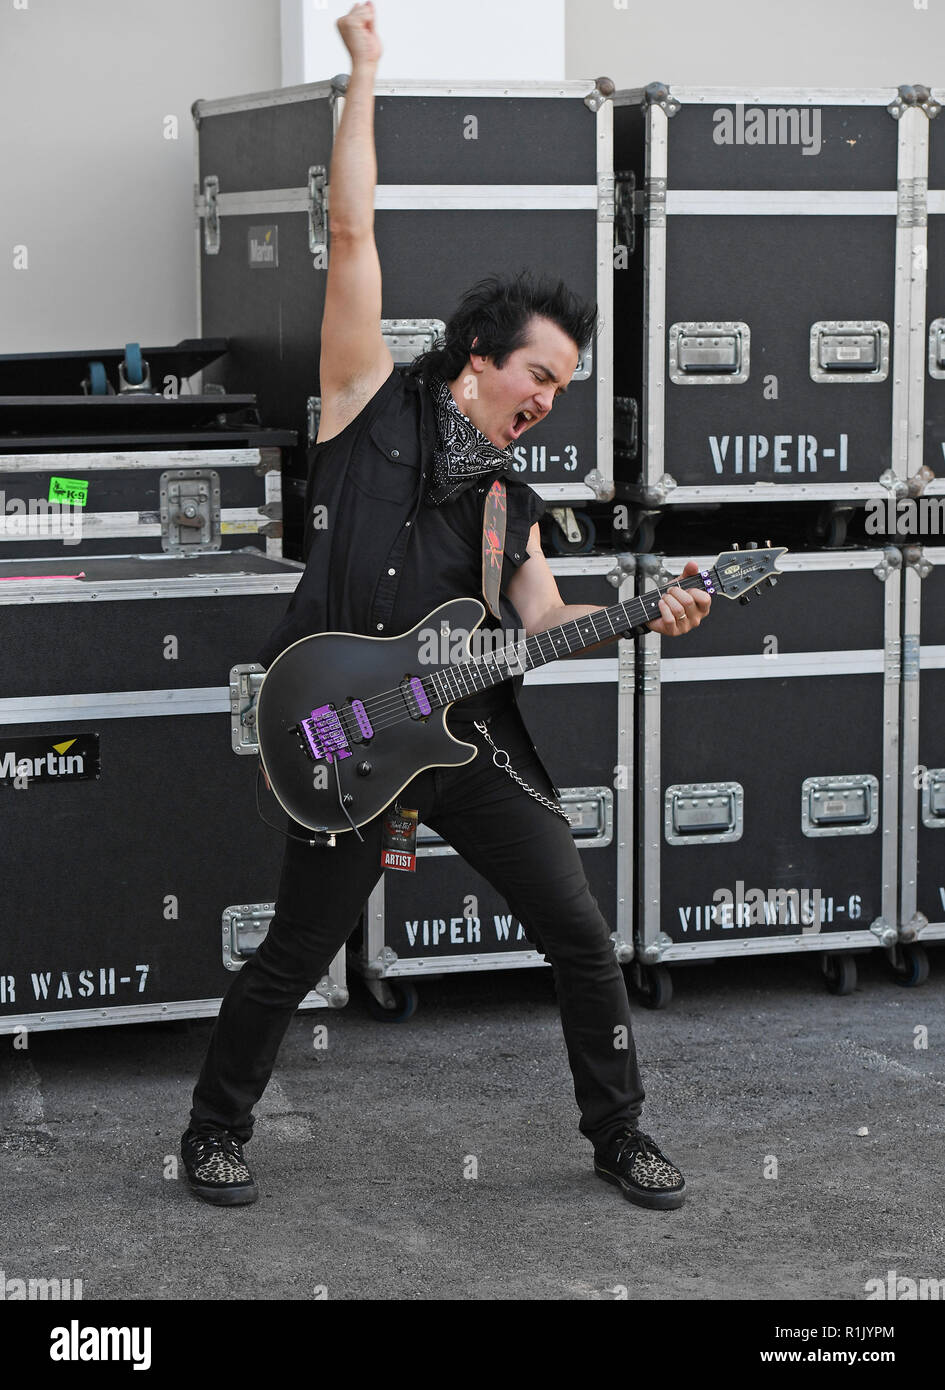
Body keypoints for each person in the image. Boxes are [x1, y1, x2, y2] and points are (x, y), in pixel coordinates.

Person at [180, 0, 711, 1213]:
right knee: (296, 954)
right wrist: (363, 71)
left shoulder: (513, 503)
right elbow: (355, 227)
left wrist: (653, 610)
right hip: (345, 736)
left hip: (462, 746)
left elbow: (548, 622)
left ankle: (619, 1133)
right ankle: (214, 1130)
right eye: (540, 374)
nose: (549, 399)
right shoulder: (365, 401)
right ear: (478, 353)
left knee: (581, 931)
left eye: (565, 388)